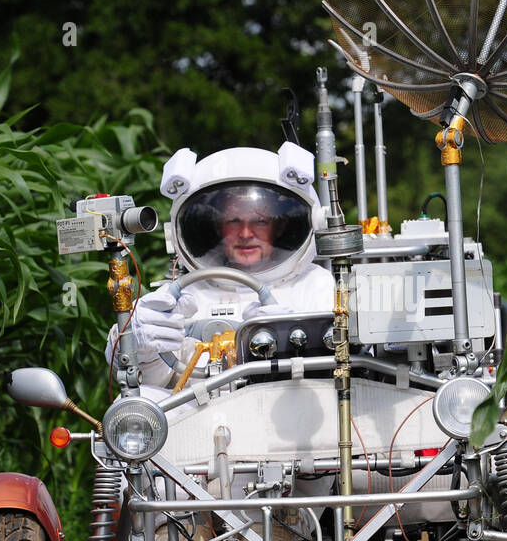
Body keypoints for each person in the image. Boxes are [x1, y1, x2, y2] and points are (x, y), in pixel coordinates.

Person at [104, 144, 335, 391]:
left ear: (279, 227)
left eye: (260, 220)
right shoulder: (186, 293)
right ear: (217, 226)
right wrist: (133, 342)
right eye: (233, 221)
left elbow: (337, 372)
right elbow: (155, 382)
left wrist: (291, 338)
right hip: (201, 421)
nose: (246, 233)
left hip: (290, 416)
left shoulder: (315, 285)